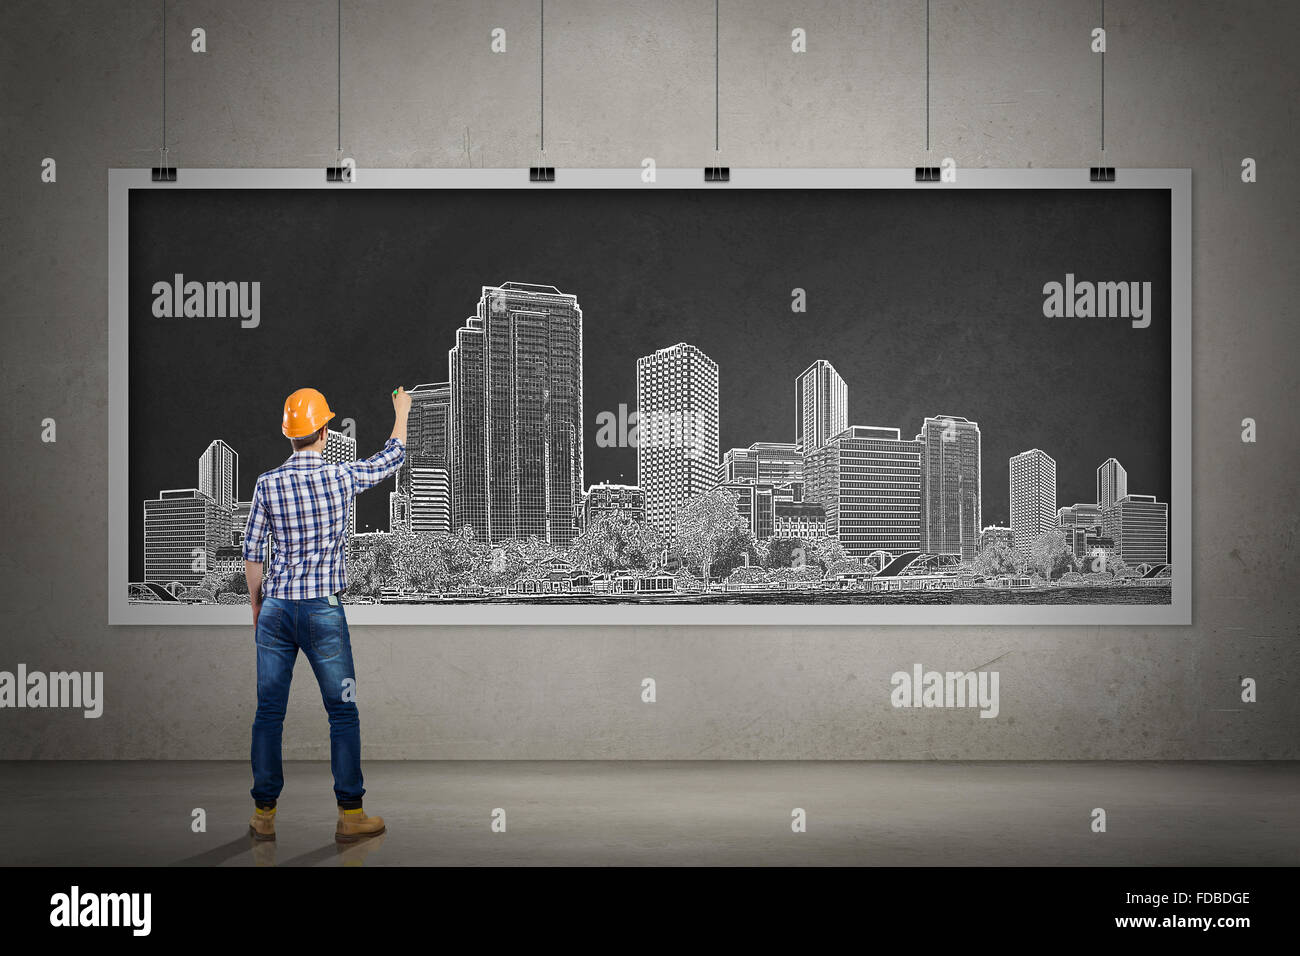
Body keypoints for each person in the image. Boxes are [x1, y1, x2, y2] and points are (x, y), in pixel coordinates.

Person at [241, 386, 410, 843]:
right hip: (324, 612)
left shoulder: (266, 484)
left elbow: (253, 555)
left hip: (275, 610)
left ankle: (263, 816)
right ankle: (351, 816)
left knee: (269, 713)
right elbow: (390, 458)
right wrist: (401, 411)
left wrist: (258, 608)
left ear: (289, 434)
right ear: (323, 431)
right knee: (343, 710)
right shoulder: (340, 478)